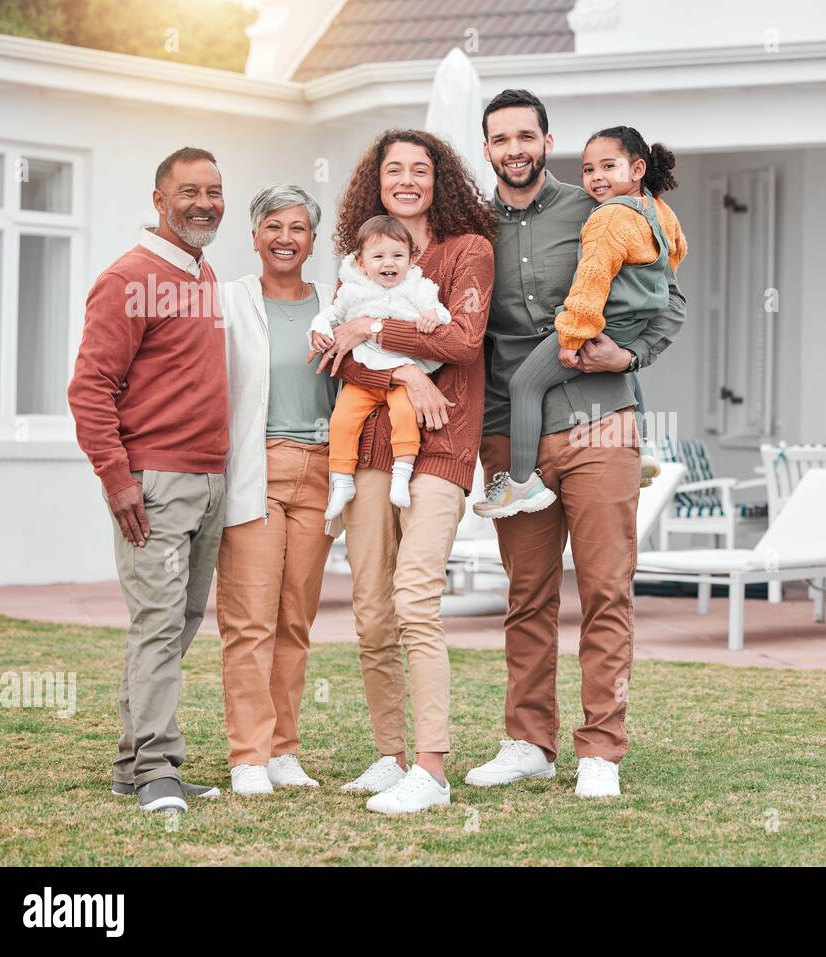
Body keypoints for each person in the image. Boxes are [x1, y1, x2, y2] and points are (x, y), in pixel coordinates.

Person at [465, 91, 686, 798]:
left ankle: (601, 749)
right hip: (511, 434)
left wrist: (631, 356)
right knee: (526, 597)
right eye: (500, 139)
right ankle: (529, 741)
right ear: (487, 148)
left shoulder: (598, 209)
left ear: (545, 139)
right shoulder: (470, 229)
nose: (514, 149)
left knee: (605, 590)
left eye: (526, 135)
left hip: (601, 422)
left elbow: (668, 297)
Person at [311, 129, 496, 814]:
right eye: (395, 169)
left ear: (440, 179)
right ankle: (390, 755)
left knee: (416, 599)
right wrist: (407, 366)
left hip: (441, 447)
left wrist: (385, 338)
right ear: (376, 181)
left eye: (422, 169)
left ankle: (432, 769)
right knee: (370, 611)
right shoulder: (358, 262)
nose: (408, 179)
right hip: (366, 452)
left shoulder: (466, 251)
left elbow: (463, 341)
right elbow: (338, 358)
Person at [67, 147, 228, 814]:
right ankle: (159, 768)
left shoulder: (205, 273)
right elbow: (89, 389)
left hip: (210, 478)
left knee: (180, 621)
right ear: (159, 200)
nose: (205, 202)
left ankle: (135, 762)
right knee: (158, 625)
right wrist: (119, 478)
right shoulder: (127, 278)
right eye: (189, 191)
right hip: (153, 483)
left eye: (215, 190)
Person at [475, 125, 687, 519]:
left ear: (637, 168)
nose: (596, 178)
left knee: (524, 382)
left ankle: (521, 484)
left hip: (594, 331)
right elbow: (675, 251)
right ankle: (643, 447)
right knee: (628, 370)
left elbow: (590, 282)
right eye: (589, 170)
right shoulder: (655, 208)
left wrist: (571, 337)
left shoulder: (603, 217)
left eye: (609, 166)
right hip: (630, 323)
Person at [216, 183, 336, 797]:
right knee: (250, 620)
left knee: (296, 618)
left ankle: (284, 750)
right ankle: (248, 756)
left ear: (314, 240)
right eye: (274, 227)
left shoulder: (336, 303)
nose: (286, 239)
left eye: (298, 228)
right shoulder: (229, 300)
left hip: (320, 470)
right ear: (255, 234)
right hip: (256, 470)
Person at [312, 215, 450, 520]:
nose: (389, 263)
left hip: (402, 372)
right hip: (366, 374)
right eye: (379, 257)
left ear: (411, 260)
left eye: (398, 256)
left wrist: (431, 315)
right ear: (361, 263)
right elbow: (331, 315)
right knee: (342, 420)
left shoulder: (417, 287)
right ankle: (342, 480)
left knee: (405, 415)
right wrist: (319, 328)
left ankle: (401, 475)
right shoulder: (353, 290)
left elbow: (441, 313)